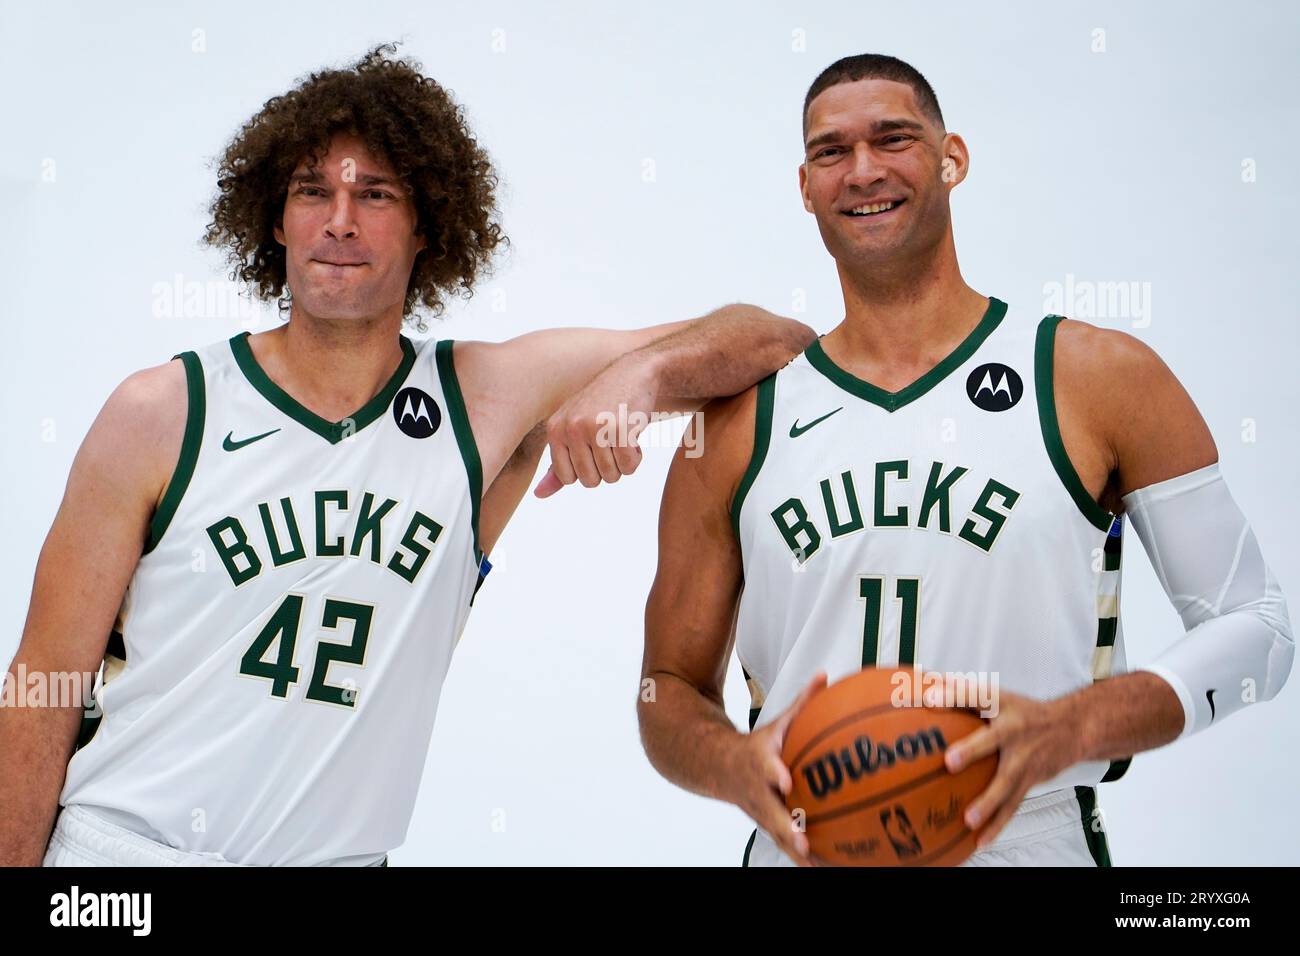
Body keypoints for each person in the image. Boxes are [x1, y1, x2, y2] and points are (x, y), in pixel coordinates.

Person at [0, 44, 815, 867]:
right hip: (126, 861)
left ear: (429, 222)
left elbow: (778, 338)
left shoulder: (484, 400)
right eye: (312, 191)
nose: (340, 220)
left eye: (375, 194)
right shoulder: (164, 411)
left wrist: (643, 377)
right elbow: (42, 687)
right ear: (274, 218)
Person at [637, 53, 1294, 867]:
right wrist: (734, 764)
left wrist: (1073, 727)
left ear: (954, 159)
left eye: (893, 138)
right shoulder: (742, 422)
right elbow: (666, 684)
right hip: (809, 839)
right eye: (831, 151)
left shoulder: (1095, 376)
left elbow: (1256, 625)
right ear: (804, 186)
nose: (863, 170)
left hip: (1028, 833)